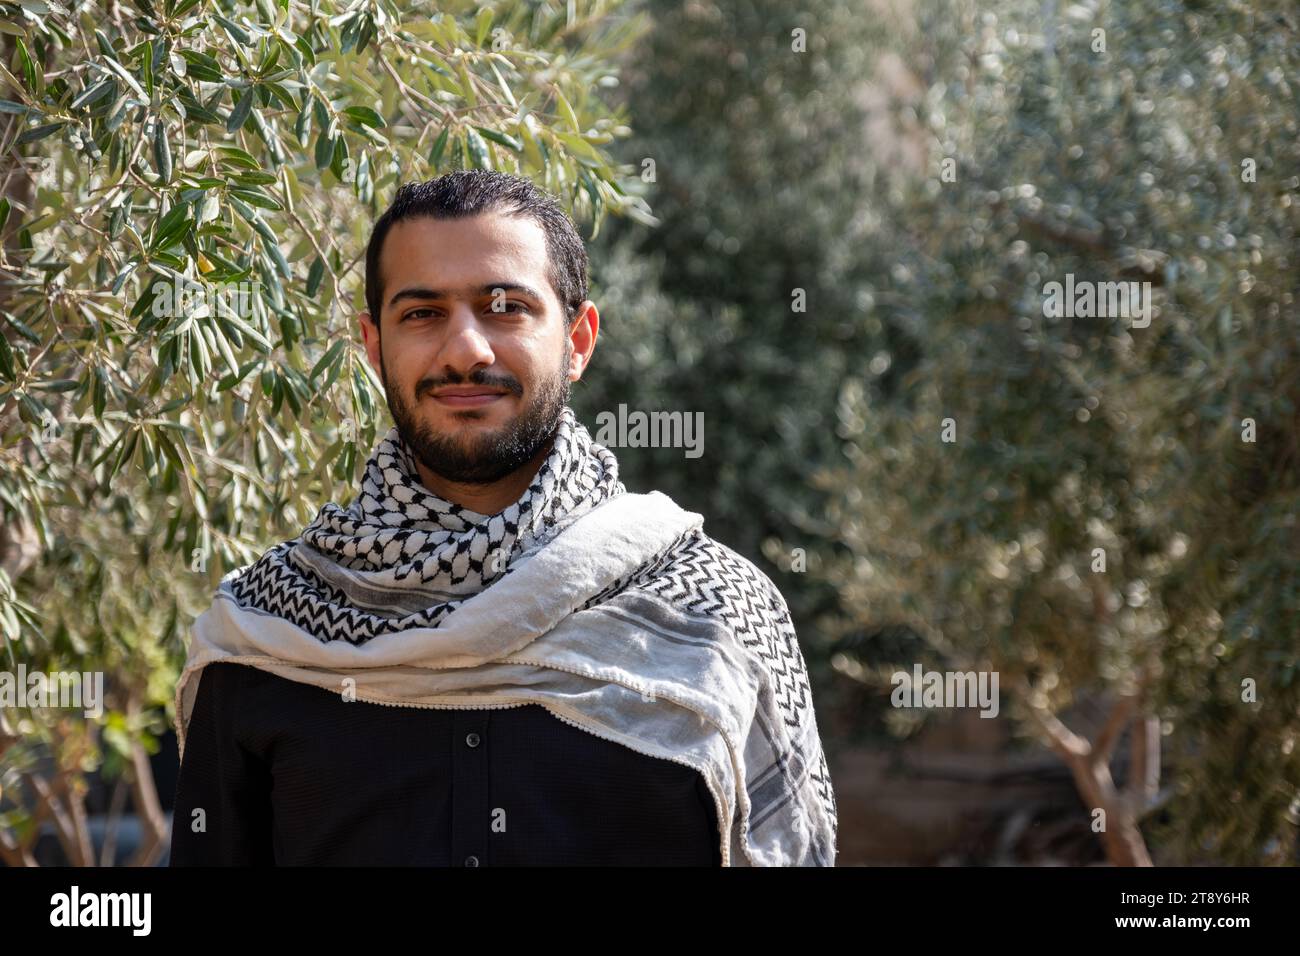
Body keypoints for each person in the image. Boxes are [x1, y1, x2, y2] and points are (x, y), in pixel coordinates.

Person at [170, 170, 837, 866]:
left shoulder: (717, 616)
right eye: (422, 314)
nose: (466, 350)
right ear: (374, 346)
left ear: (578, 340)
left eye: (505, 307)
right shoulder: (266, 632)